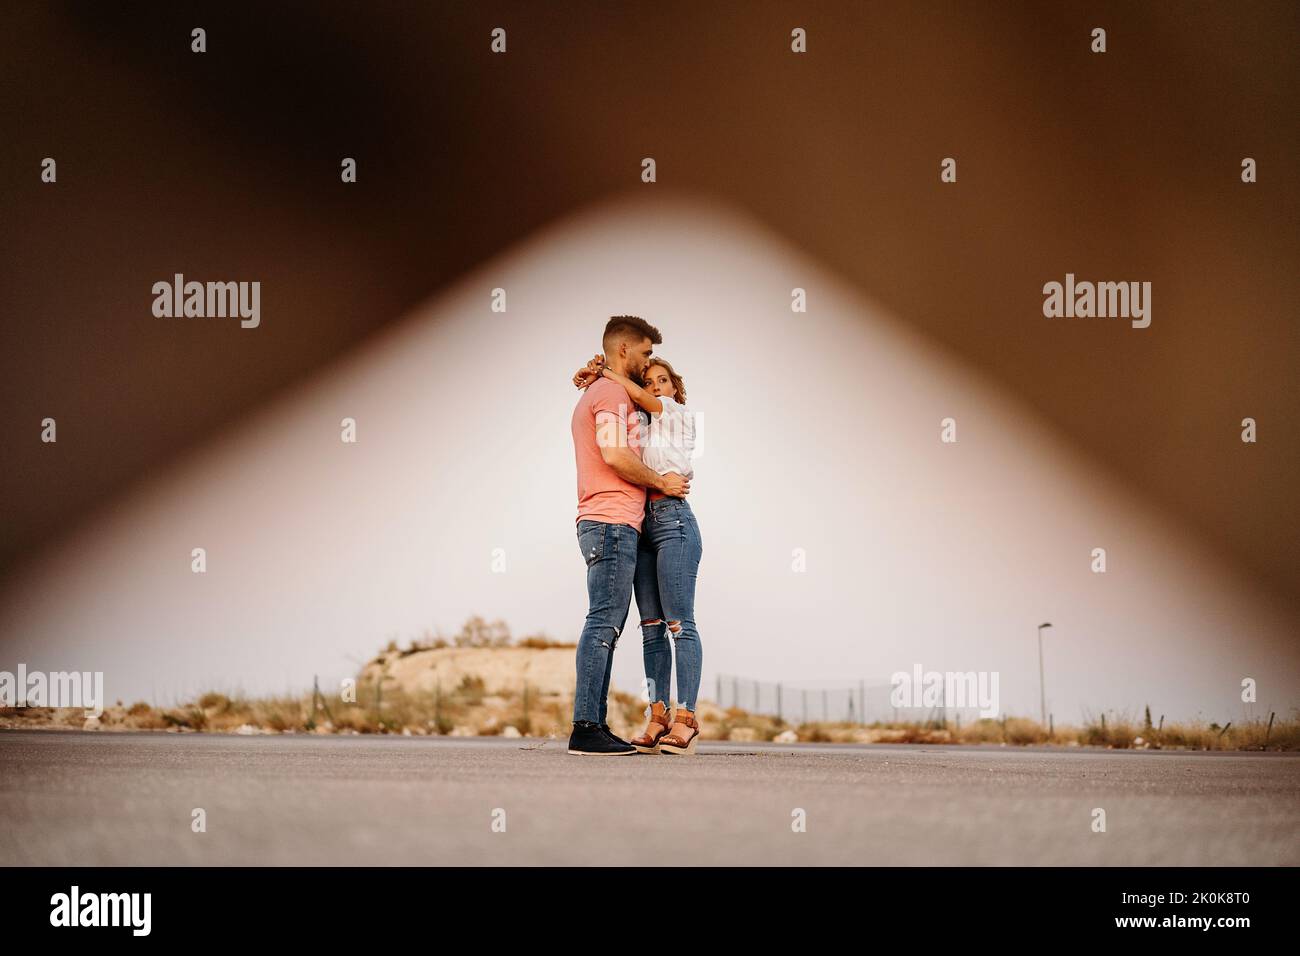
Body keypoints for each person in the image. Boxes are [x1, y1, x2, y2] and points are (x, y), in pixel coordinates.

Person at [567, 316, 689, 755]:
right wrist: (661, 480)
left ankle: (591, 724)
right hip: (612, 522)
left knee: (607, 624)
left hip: (606, 522)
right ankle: (586, 726)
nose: (647, 361)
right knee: (603, 622)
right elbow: (617, 455)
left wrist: (595, 371)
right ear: (624, 351)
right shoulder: (612, 394)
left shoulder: (603, 390)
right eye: (644, 353)